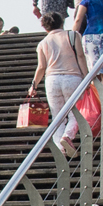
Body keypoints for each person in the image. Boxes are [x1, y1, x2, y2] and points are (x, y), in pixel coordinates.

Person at [29, 11, 87, 156]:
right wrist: (88, 77)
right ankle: (67, 136)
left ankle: (60, 150)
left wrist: (34, 85)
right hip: (72, 78)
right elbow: (81, 56)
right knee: (76, 113)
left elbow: (41, 67)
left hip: (52, 81)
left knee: (57, 117)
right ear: (62, 22)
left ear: (44, 27)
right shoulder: (73, 35)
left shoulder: (42, 43)